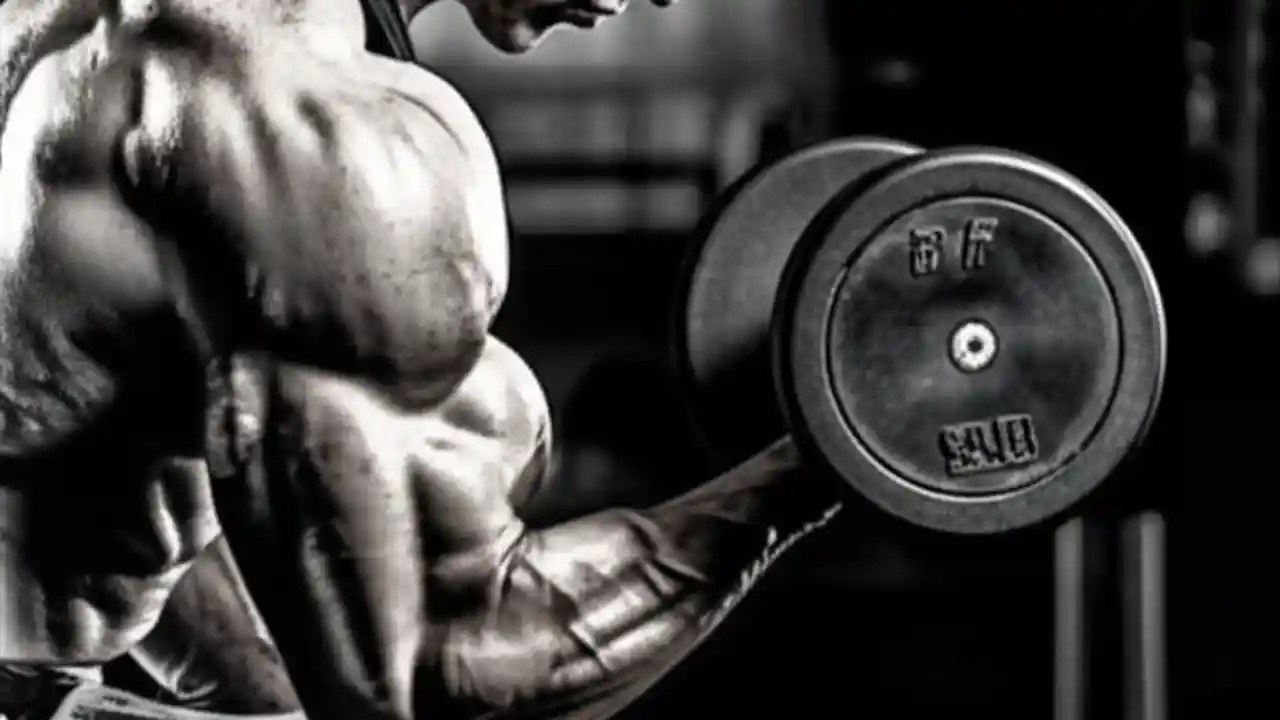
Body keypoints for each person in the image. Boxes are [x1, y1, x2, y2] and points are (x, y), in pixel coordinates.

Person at [0, 1, 843, 717]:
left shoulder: (85, 42)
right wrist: (824, 457)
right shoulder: (308, 127)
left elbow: (84, 442)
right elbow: (448, 665)